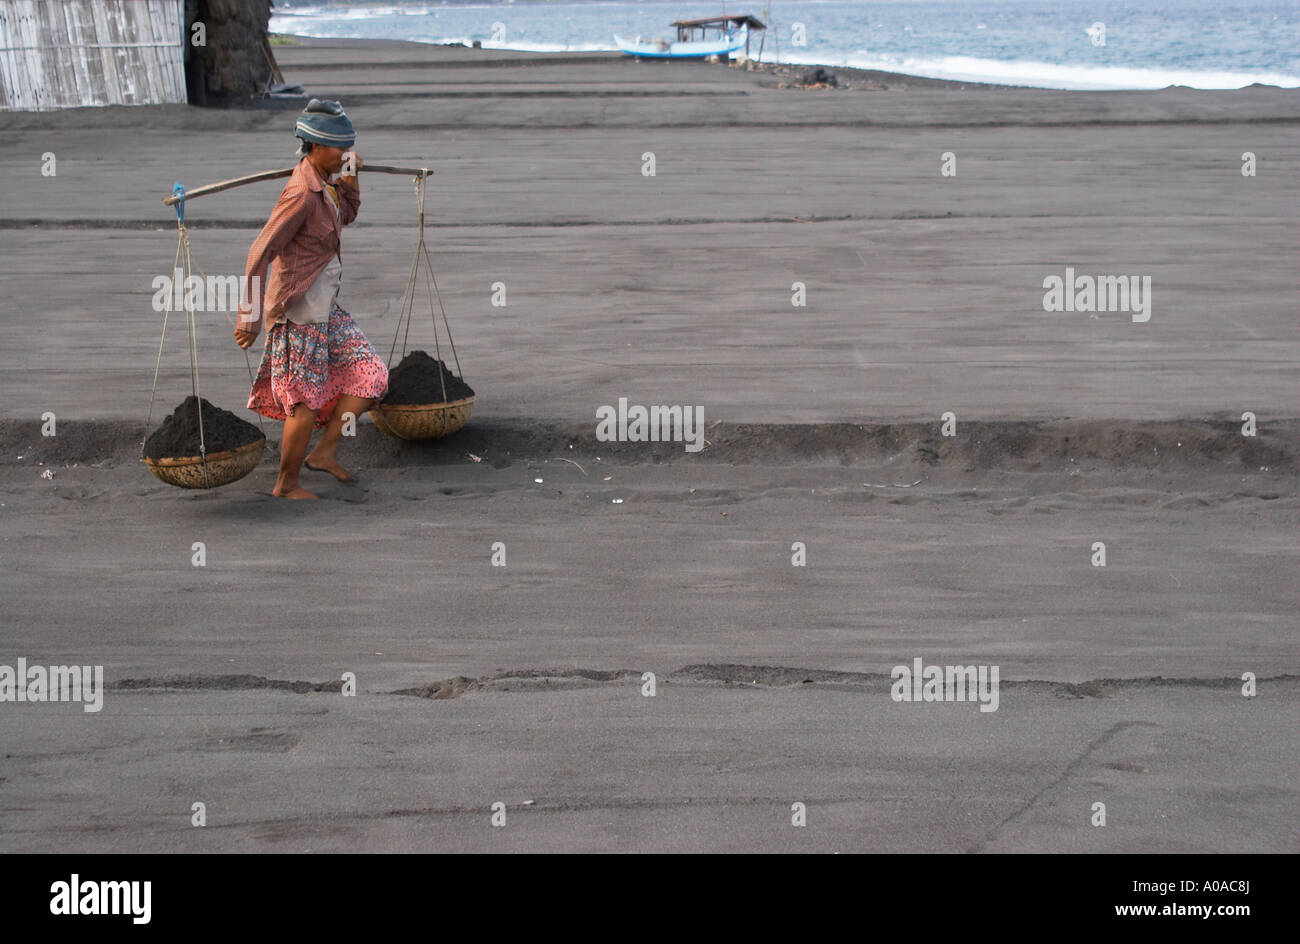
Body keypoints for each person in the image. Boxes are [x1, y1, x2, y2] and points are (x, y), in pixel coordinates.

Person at [234, 99, 388, 499]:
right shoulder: (301, 193)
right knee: (303, 403)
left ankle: (324, 453)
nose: (347, 155)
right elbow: (259, 252)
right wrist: (249, 317)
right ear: (316, 147)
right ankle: (286, 484)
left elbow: (347, 216)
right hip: (298, 313)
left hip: (326, 307)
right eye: (341, 149)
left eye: (349, 148)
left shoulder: (328, 184)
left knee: (372, 377)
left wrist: (350, 176)